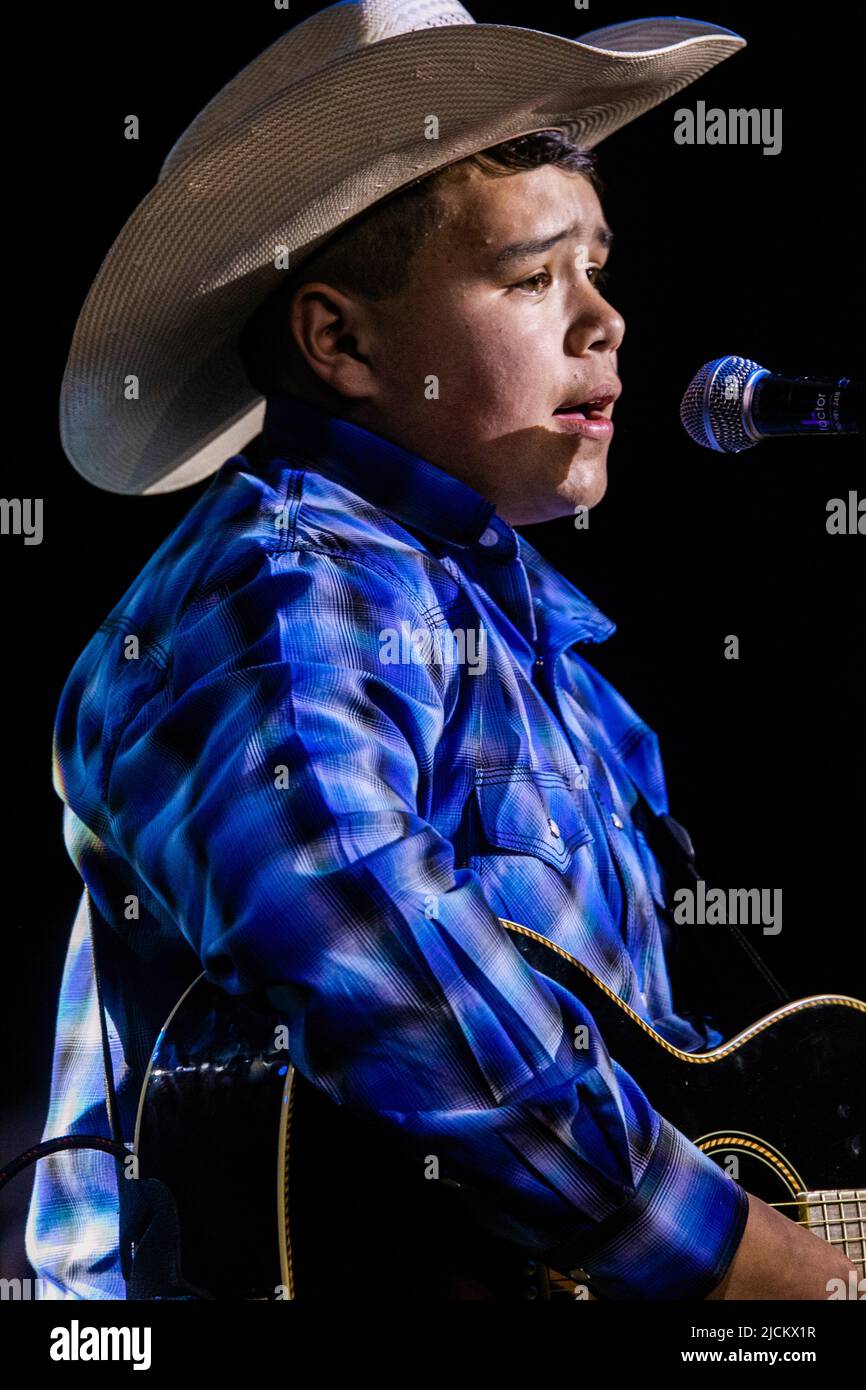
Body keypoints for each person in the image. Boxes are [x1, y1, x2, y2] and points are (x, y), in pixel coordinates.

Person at [27, 0, 857, 1300]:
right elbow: (357, 936)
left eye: (596, 268)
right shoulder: (280, 590)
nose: (605, 322)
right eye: (532, 279)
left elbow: (681, 1067)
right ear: (340, 341)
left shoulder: (529, 641)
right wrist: (727, 1251)